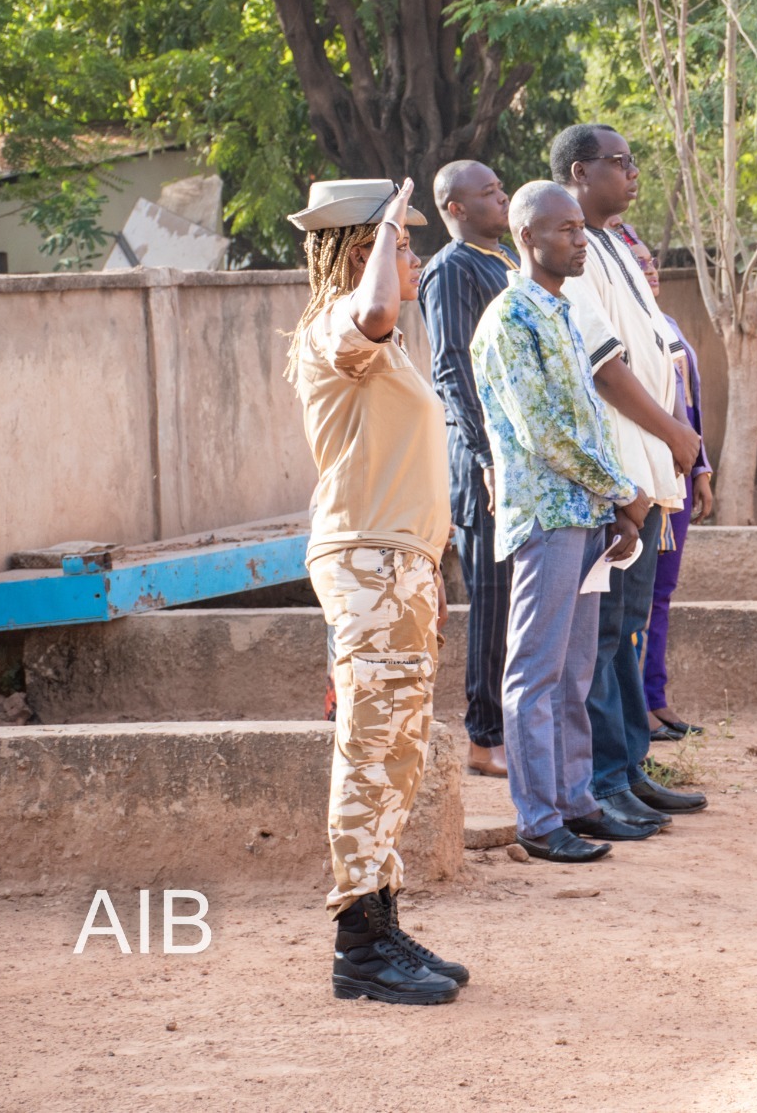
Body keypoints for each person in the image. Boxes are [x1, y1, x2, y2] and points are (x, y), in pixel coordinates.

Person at [286, 176, 465, 1006]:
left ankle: (380, 917)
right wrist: (385, 221)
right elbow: (374, 312)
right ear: (364, 253)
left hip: (400, 569)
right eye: (402, 242)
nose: (415, 255)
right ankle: (357, 943)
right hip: (368, 566)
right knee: (370, 749)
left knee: (396, 751)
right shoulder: (341, 327)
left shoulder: (385, 353)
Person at [472, 181, 655, 863]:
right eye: (566, 230)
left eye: (582, 228)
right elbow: (545, 433)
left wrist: (614, 506)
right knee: (535, 673)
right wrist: (626, 491)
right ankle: (538, 817)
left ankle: (578, 800)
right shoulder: (509, 319)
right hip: (546, 516)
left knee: (575, 669)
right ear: (527, 237)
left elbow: (589, 422)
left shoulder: (562, 313)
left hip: (586, 514)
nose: (580, 239)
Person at [551, 123, 709, 825]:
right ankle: (604, 778)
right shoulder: (573, 248)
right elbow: (605, 367)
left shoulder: (616, 243)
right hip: (621, 465)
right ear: (580, 173)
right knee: (605, 629)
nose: (633, 171)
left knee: (630, 624)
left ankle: (630, 764)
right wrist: (675, 430)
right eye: (620, 162)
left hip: (651, 465)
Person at [419, 160, 518, 779]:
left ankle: (514, 725)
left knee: (520, 600)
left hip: (519, 453)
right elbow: (453, 369)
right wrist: (486, 456)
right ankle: (484, 738)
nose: (501, 196)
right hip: (483, 456)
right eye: (487, 192)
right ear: (454, 208)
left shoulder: (505, 260)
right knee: (492, 597)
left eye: (500, 188)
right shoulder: (452, 270)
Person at [619, 223, 714, 741]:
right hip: (644, 474)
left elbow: (690, 406)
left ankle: (655, 697)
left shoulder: (668, 323)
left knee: (662, 593)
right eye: (637, 262)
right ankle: (636, 706)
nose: (649, 268)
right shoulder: (623, 327)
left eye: (651, 259)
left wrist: (701, 469)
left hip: (679, 473)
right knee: (636, 595)